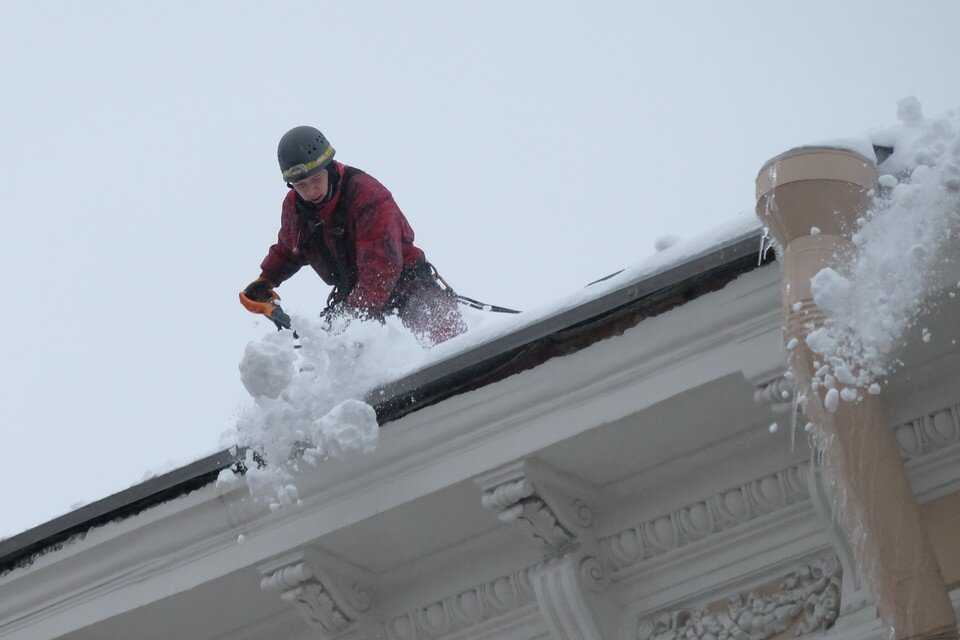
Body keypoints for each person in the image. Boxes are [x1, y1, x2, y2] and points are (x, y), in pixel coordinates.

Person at [240, 126, 466, 345]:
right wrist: (266, 278)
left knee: (442, 330)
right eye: (301, 185)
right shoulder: (295, 208)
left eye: (316, 180)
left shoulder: (366, 194)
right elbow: (290, 248)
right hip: (351, 294)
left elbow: (382, 266)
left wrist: (353, 314)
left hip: (406, 283)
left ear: (328, 168)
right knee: (327, 359)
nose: (310, 191)